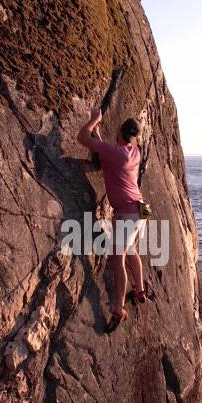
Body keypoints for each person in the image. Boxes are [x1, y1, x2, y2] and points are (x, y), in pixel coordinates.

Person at [77, 108, 148, 333]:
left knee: (118, 260)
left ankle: (118, 309)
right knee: (132, 250)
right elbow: (111, 151)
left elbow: (81, 138)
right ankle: (139, 290)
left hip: (128, 214)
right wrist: (100, 139)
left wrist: (93, 121)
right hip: (142, 209)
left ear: (119, 131)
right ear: (133, 138)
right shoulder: (133, 153)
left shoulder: (114, 153)